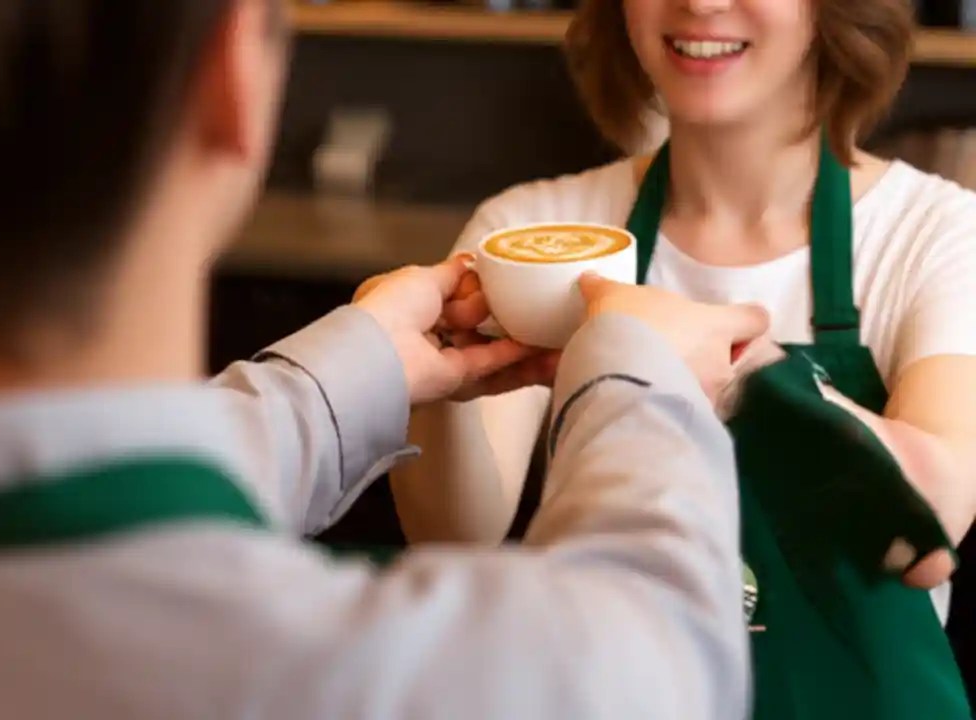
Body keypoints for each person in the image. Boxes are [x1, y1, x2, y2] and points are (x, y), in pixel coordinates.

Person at [0, 1, 767, 718]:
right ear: (233, 82)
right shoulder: (376, 682)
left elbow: (39, 478)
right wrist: (641, 382)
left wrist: (350, 372)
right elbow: (661, 650)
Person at [392, 0, 976, 717]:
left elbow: (936, 510)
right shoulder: (535, 233)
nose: (700, 3)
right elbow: (456, 532)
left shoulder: (934, 234)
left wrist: (738, 373)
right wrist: (448, 378)